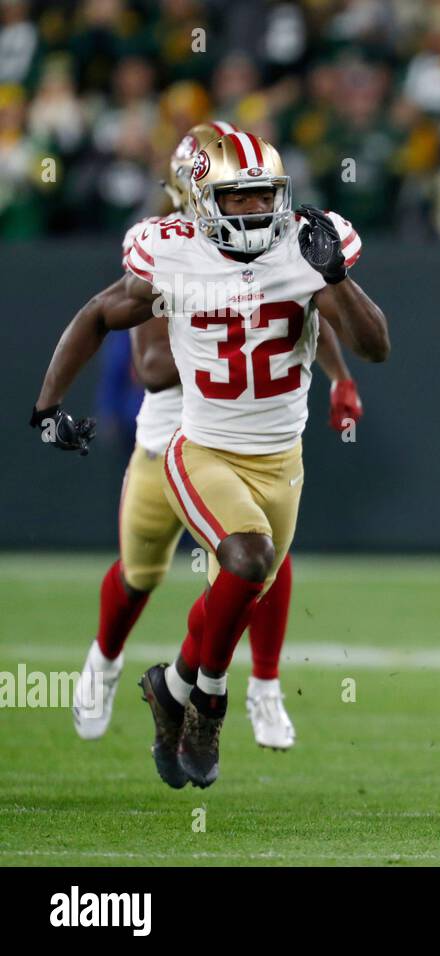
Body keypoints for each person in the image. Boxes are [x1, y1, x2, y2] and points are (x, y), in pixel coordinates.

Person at [32, 130, 389, 788]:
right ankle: (207, 700)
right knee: (237, 560)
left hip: (282, 457)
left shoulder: (306, 247)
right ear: (199, 201)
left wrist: (333, 276)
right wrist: (48, 407)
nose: (256, 211)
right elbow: (100, 318)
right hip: (197, 447)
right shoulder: (173, 253)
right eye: (238, 197)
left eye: (265, 196)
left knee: (247, 584)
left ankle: (170, 686)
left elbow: (374, 345)